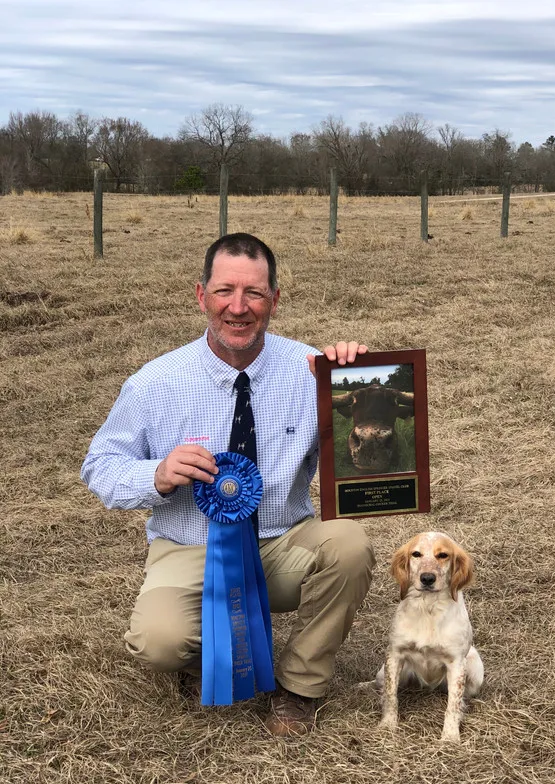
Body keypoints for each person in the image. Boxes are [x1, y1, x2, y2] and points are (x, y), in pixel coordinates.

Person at [81, 232, 375, 737]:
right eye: (224, 292)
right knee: (158, 641)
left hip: (283, 540)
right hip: (188, 544)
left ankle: (299, 687)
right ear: (201, 296)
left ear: (274, 301)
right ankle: (207, 655)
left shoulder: (311, 372)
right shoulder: (155, 382)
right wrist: (156, 474)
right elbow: (100, 465)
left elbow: (358, 469)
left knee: (349, 545)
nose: (238, 307)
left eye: (254, 293)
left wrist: (357, 382)